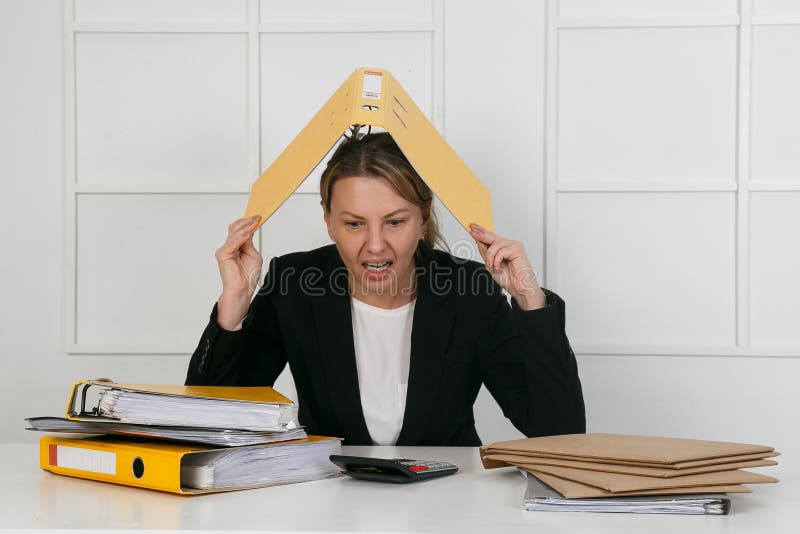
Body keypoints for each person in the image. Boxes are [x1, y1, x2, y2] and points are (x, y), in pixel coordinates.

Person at [186, 130, 585, 446]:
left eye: (394, 222)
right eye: (354, 224)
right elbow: (213, 423)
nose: (375, 245)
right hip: (330, 500)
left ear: (423, 217)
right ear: (327, 219)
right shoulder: (295, 283)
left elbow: (559, 432)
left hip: (448, 504)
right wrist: (234, 306)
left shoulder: (470, 291)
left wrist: (530, 299)